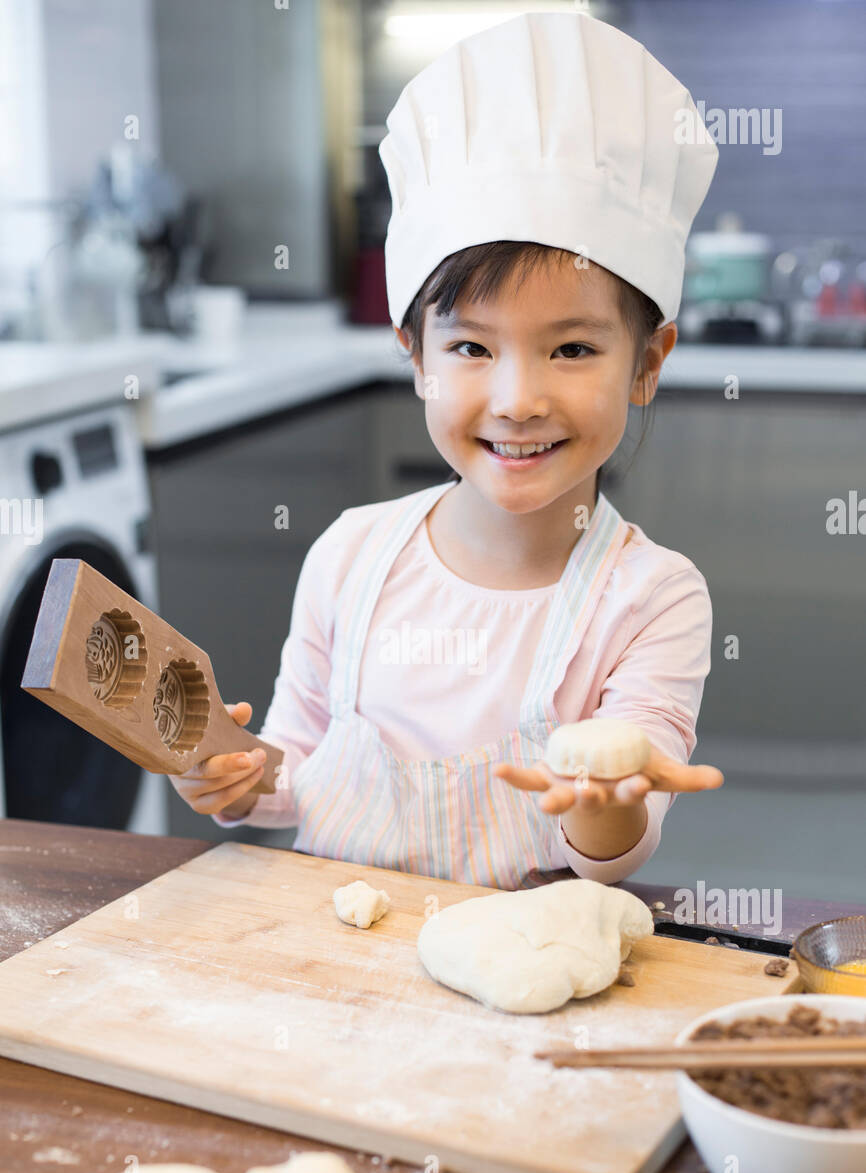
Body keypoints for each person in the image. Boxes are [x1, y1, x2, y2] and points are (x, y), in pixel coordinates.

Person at [170, 10, 724, 890]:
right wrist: (238, 782)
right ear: (416, 356)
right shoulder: (350, 555)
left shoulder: (651, 600)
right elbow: (296, 771)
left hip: (523, 1007)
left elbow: (617, 852)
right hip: (336, 983)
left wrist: (603, 797)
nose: (517, 399)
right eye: (471, 347)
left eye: (573, 348)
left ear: (646, 363)